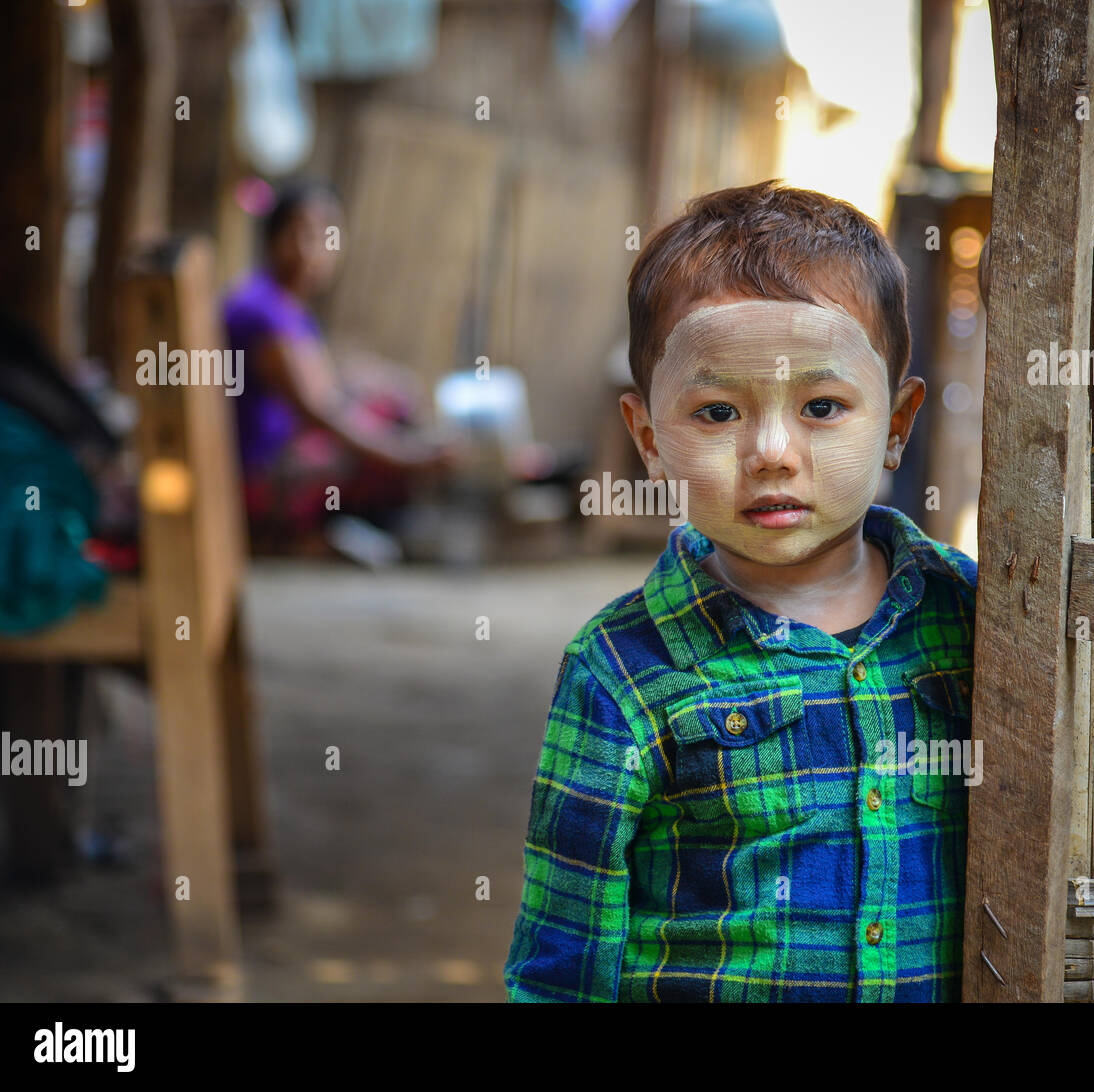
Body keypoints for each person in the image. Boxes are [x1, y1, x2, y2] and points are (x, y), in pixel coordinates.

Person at [504, 179, 977, 1002]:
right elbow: (562, 960)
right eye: (717, 413)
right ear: (649, 440)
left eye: (822, 406)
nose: (769, 451)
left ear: (897, 425)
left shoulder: (971, 616)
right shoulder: (622, 671)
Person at [222, 178, 458, 552]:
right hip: (254, 478)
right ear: (273, 238)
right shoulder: (262, 312)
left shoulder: (284, 306)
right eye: (301, 234)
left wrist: (386, 380)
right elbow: (321, 410)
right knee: (380, 433)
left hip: (270, 460)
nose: (313, 250)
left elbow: (324, 380)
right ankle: (310, 537)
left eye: (327, 237)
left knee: (391, 397)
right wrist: (411, 460)